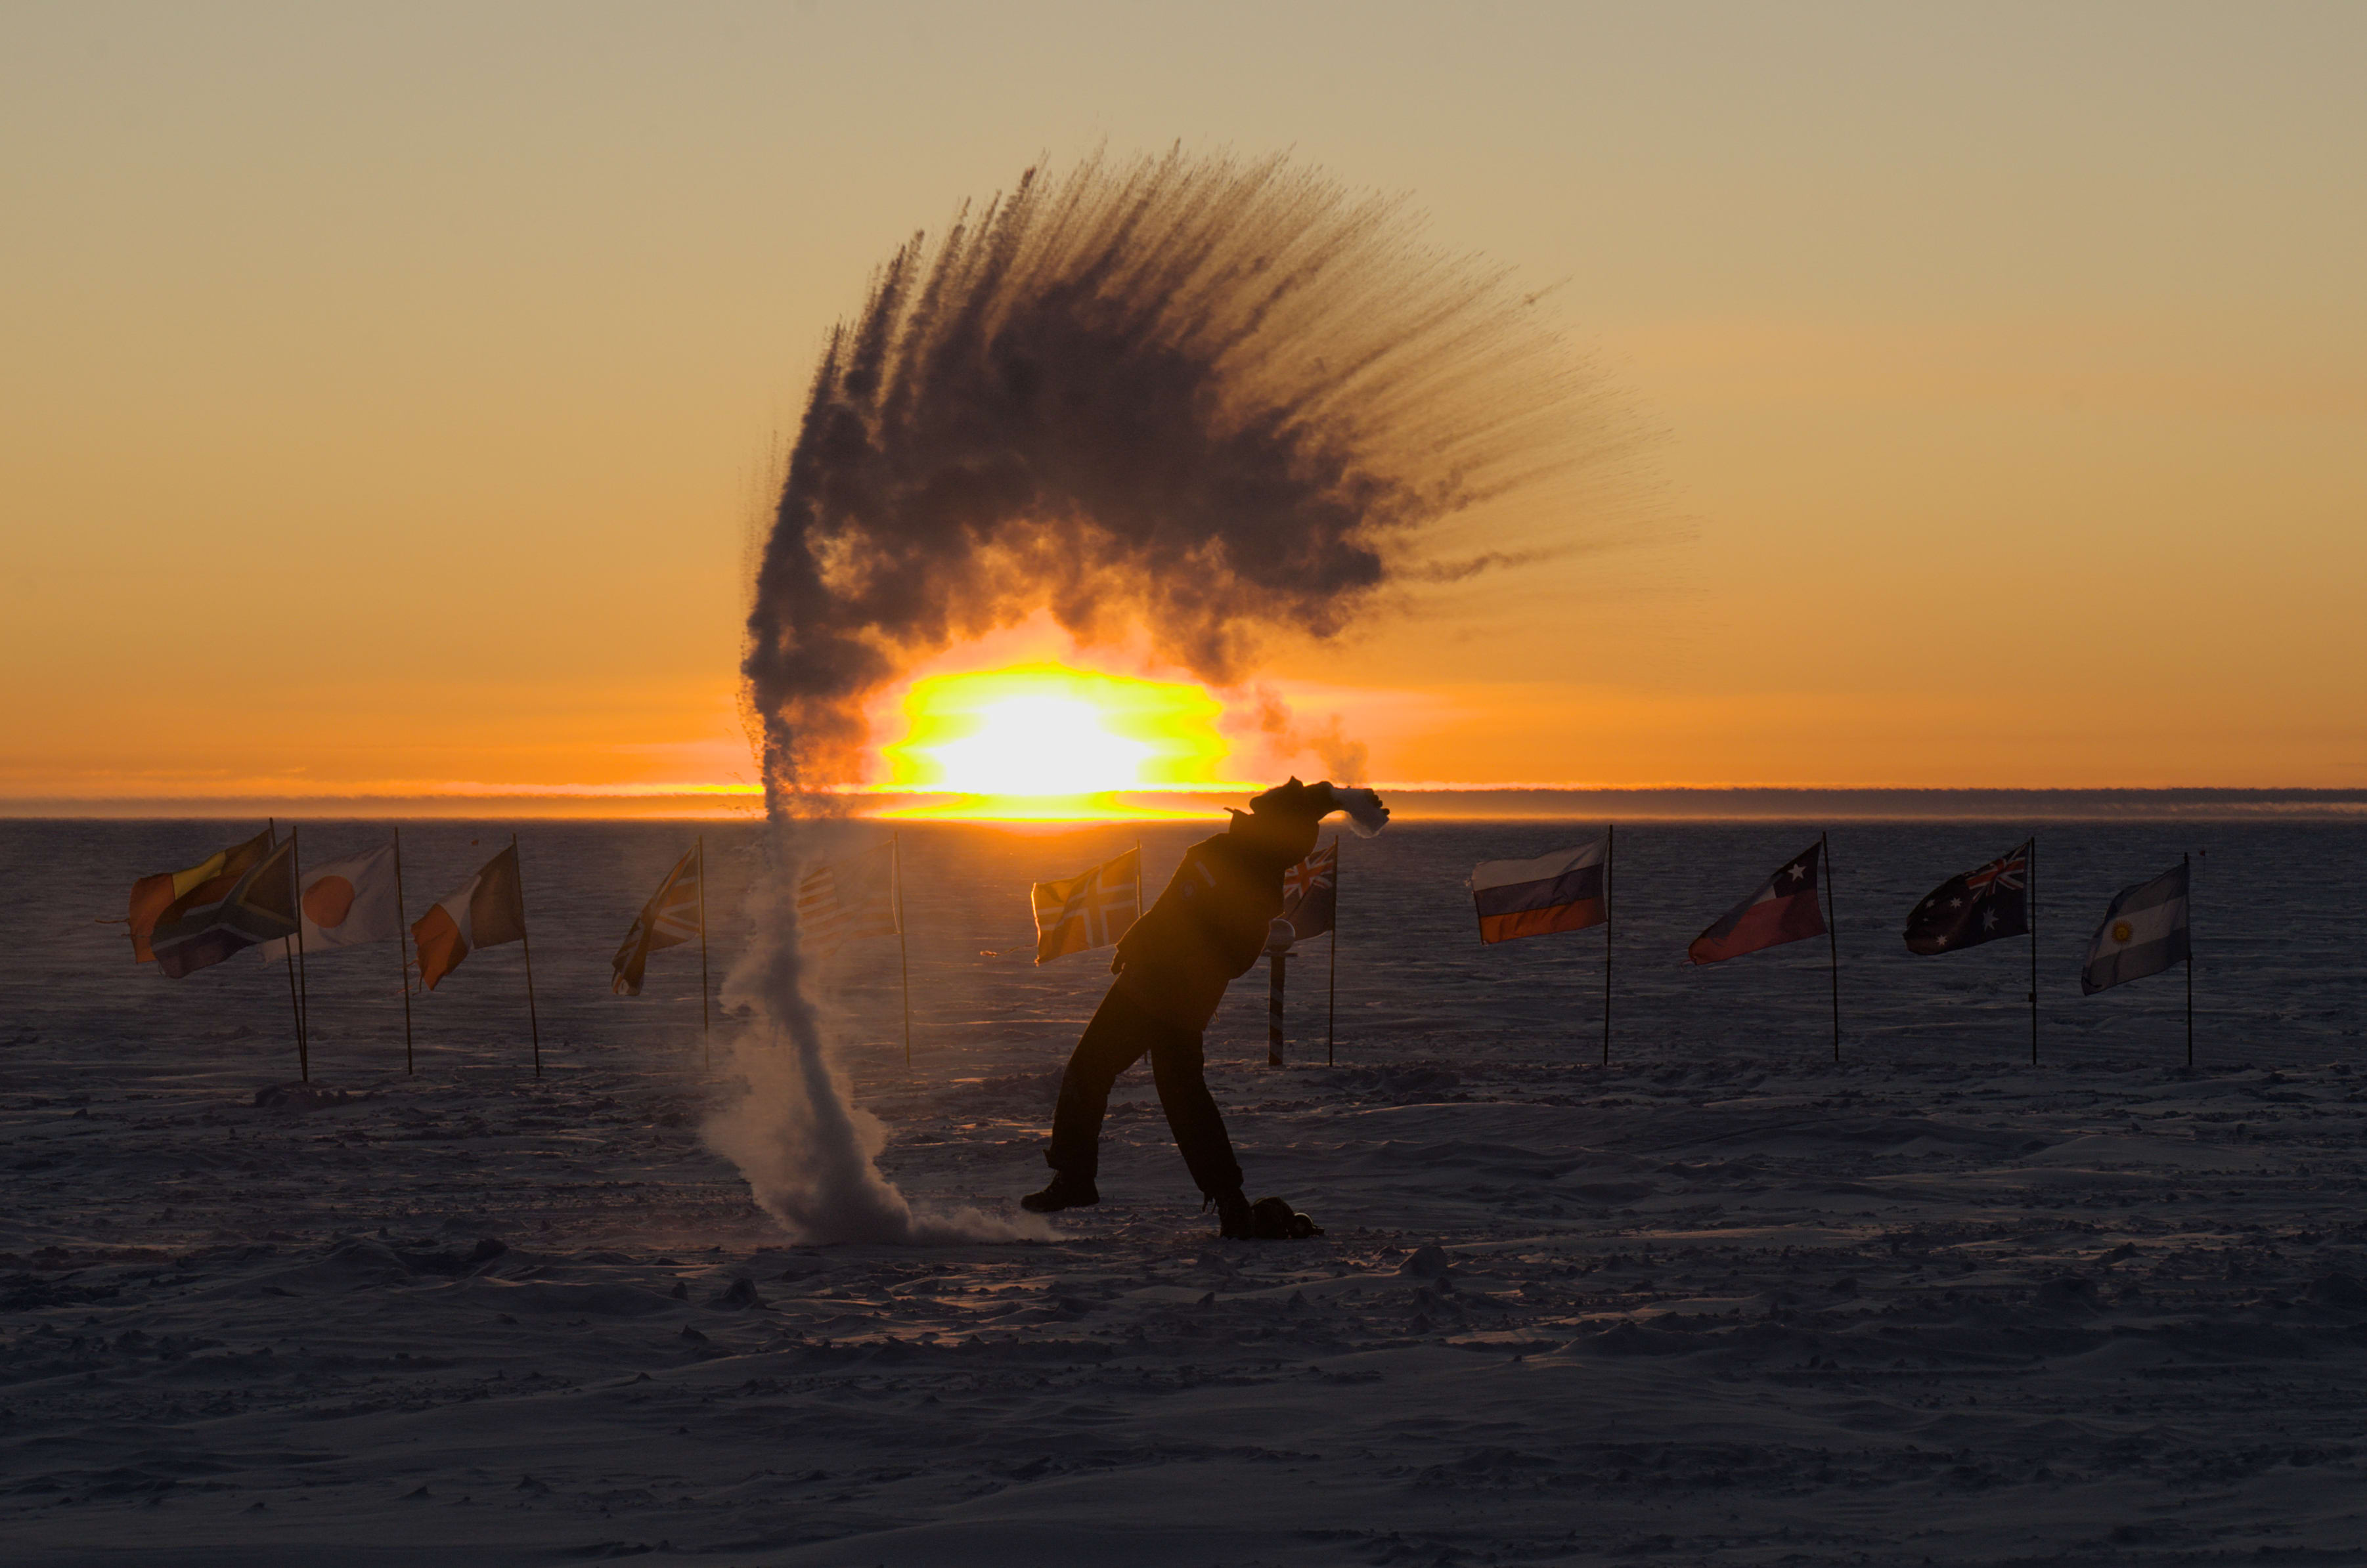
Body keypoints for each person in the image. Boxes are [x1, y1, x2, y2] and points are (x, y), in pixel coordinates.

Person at [1021, 777, 1388, 1237]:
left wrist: (1179, 965)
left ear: (1274, 828)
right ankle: (1230, 1205)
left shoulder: (1253, 877)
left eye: (1262, 813)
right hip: (1155, 981)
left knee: (1094, 1072)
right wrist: (1138, 942)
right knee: (1183, 1098)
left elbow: (1234, 956)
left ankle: (1076, 1178)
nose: (1250, 813)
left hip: (1165, 993)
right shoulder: (1226, 853)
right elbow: (1173, 904)